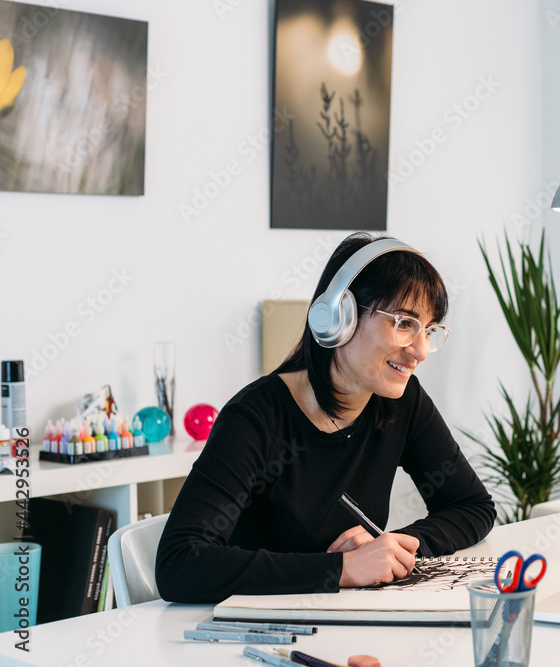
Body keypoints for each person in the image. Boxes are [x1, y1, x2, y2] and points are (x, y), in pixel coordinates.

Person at [155, 233, 496, 604]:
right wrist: (343, 569)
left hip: (346, 620)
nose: (421, 350)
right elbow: (180, 563)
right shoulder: (255, 418)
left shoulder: (402, 401)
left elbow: (472, 506)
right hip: (255, 639)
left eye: (428, 329)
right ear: (338, 316)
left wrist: (396, 547)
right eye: (403, 324)